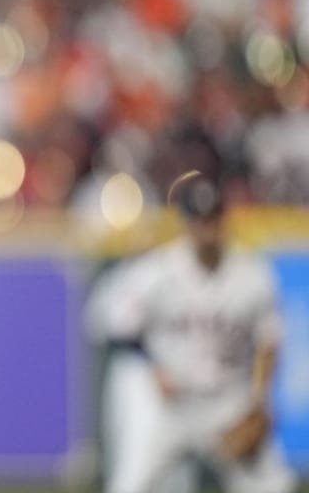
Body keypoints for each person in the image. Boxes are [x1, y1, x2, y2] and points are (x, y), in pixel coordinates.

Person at [84, 171, 295, 493]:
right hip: (170, 407)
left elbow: (269, 340)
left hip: (228, 401)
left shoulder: (252, 274)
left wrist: (259, 403)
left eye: (212, 218)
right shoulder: (156, 272)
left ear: (224, 220)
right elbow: (116, 327)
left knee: (275, 486)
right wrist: (152, 367)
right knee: (130, 485)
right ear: (185, 222)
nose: (206, 228)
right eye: (198, 220)